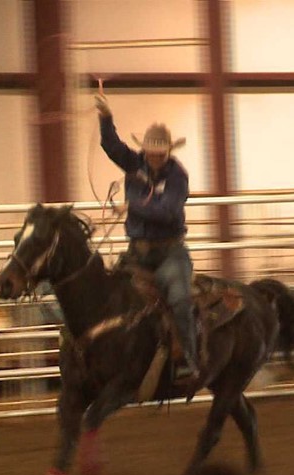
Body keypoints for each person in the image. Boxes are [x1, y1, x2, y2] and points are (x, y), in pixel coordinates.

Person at [95, 92, 200, 380]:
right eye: (151, 153)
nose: (154, 158)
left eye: (160, 154)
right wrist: (105, 117)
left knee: (179, 298)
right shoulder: (134, 162)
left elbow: (167, 212)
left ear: (168, 153)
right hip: (137, 252)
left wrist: (132, 207)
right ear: (145, 151)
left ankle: (188, 358)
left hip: (170, 253)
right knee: (109, 294)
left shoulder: (178, 176)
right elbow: (111, 145)